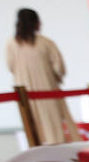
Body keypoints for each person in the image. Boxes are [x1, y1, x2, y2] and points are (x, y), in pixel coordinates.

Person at [5, 8, 80, 145]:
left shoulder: (12, 44)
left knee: (32, 121)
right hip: (47, 89)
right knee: (52, 123)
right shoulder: (46, 43)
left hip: (24, 93)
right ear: (36, 22)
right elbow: (59, 68)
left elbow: (10, 66)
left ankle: (35, 146)